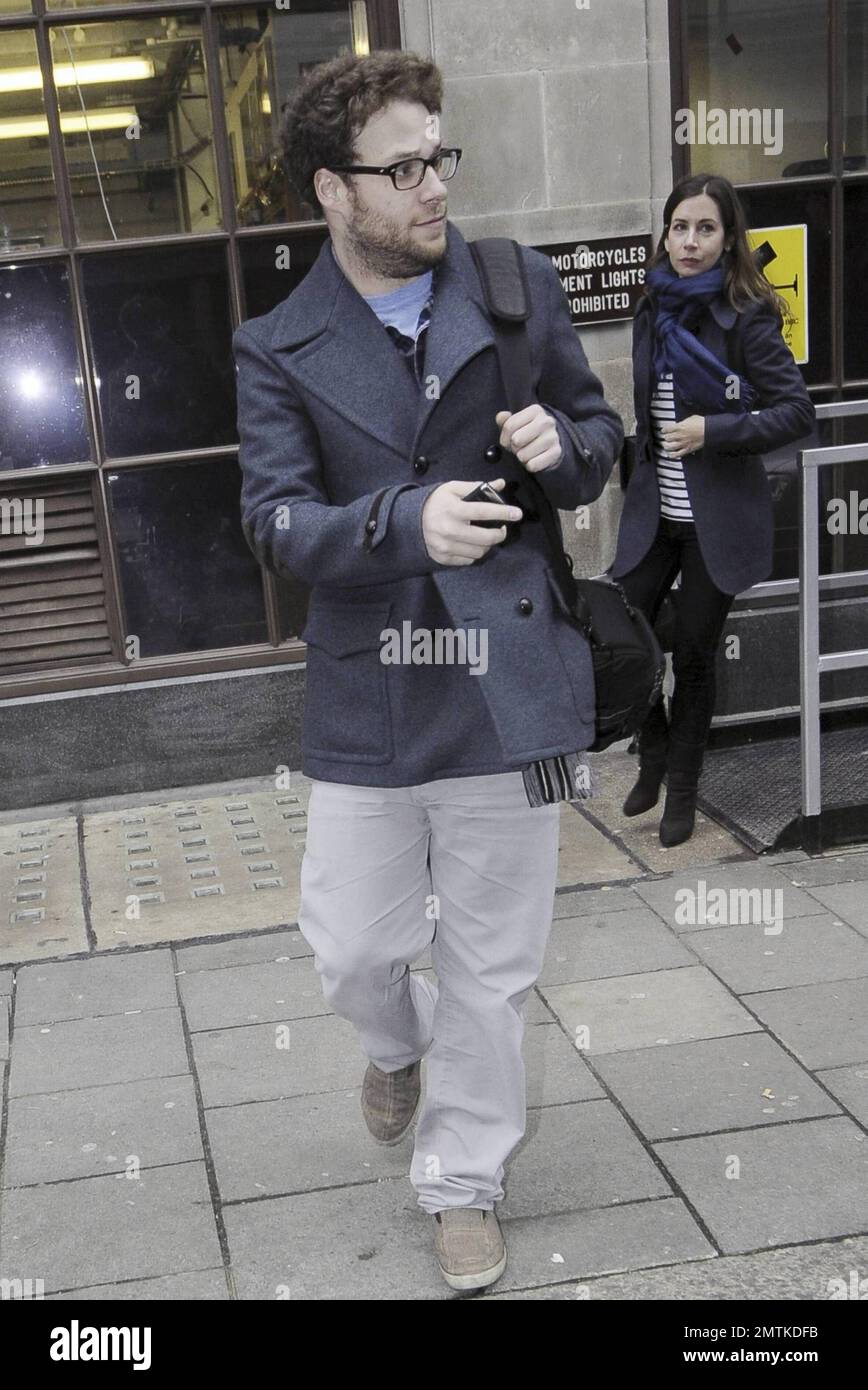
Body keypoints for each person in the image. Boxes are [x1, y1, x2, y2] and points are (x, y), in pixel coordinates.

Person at [232, 51, 623, 1292]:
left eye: (435, 157)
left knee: (494, 970)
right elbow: (274, 523)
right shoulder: (275, 344)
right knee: (352, 947)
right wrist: (404, 527)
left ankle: (462, 1182)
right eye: (399, 169)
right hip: (372, 682)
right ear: (330, 194)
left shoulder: (513, 288)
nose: (431, 188)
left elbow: (598, 445)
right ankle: (392, 1047)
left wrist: (563, 447)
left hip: (510, 686)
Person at [610, 173, 815, 847]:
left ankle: (685, 795)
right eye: (679, 227)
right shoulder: (652, 305)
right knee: (617, 632)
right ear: (664, 233)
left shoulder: (746, 312)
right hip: (656, 511)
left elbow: (794, 411)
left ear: (729, 239)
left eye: (706, 229)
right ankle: (655, 746)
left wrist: (714, 431)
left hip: (717, 519)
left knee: (694, 652)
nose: (690, 242)